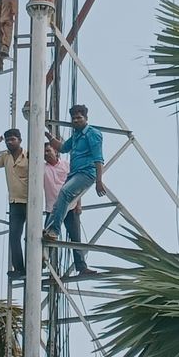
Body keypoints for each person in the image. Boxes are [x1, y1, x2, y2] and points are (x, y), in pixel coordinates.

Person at [43, 104, 105, 243]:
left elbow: (98, 158)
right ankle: (48, 229)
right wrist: (50, 137)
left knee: (64, 192)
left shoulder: (92, 134)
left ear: (86, 118)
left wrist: (99, 181)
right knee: (59, 202)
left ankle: (54, 230)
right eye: (74, 118)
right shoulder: (76, 135)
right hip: (75, 174)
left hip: (87, 173)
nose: (76, 121)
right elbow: (63, 148)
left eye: (79, 118)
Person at [44, 142, 97, 276]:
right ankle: (40, 263)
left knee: (75, 238)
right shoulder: (41, 169)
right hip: (53, 209)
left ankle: (81, 267)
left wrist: (78, 204)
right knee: (47, 237)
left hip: (70, 206)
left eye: (48, 151)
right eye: (43, 152)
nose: (46, 154)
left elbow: (77, 184)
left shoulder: (67, 165)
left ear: (56, 152)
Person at [0, 128, 27, 278]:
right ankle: (20, 269)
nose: (10, 142)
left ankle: (39, 261)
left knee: (33, 236)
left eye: (13, 139)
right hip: (15, 202)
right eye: (8, 140)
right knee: (14, 236)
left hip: (30, 201)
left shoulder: (29, 155)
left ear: (20, 140)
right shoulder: (6, 157)